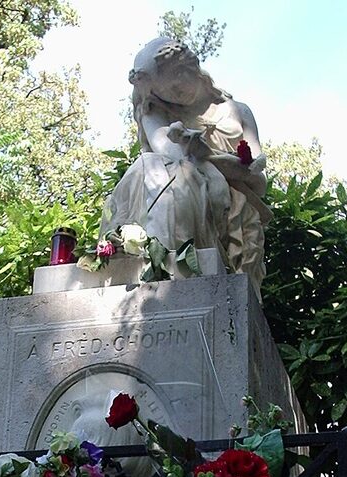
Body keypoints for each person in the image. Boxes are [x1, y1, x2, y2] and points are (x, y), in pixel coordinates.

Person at [100, 37, 272, 289]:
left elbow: (259, 182)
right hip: (179, 185)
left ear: (190, 69)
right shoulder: (153, 108)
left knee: (171, 172)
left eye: (176, 89)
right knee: (154, 167)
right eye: (165, 94)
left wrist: (206, 156)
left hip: (229, 203)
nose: (174, 97)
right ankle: (157, 259)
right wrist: (194, 155)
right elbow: (170, 155)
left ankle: (165, 269)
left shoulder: (238, 111)